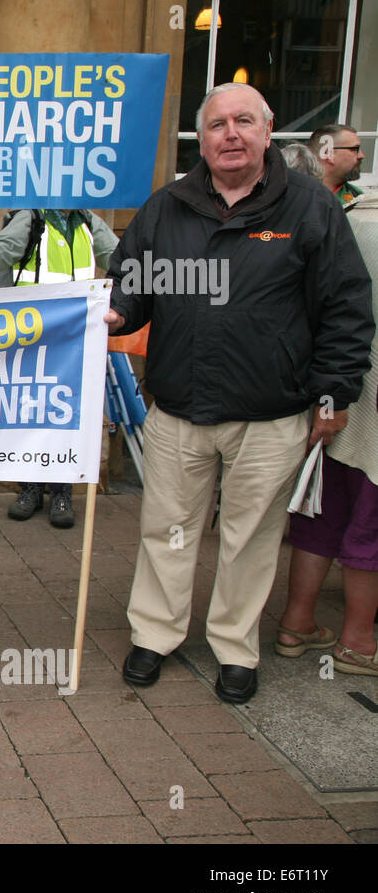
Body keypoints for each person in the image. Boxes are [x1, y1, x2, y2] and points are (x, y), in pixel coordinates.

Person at [106, 83, 373, 704]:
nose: (231, 134)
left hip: (271, 412)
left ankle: (234, 646)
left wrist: (334, 395)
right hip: (178, 407)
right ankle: (157, 634)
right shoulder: (167, 206)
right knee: (167, 527)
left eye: (243, 121)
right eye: (218, 124)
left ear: (267, 130)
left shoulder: (310, 207)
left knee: (250, 538)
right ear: (203, 139)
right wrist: (112, 312)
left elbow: (346, 309)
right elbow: (130, 286)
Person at [0, 209, 117, 527]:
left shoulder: (90, 222)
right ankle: (32, 488)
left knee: (66, 413)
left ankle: (62, 491)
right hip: (34, 335)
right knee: (32, 410)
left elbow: (124, 258)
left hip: (75, 339)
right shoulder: (32, 218)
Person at [276, 191, 378, 675]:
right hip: (367, 395)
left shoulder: (343, 219)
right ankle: (358, 640)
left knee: (322, 510)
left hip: (331, 393)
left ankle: (296, 623)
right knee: (369, 523)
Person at [308, 124, 365, 204]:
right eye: (355, 149)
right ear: (328, 153)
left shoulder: (359, 199)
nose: (361, 155)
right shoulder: (296, 194)